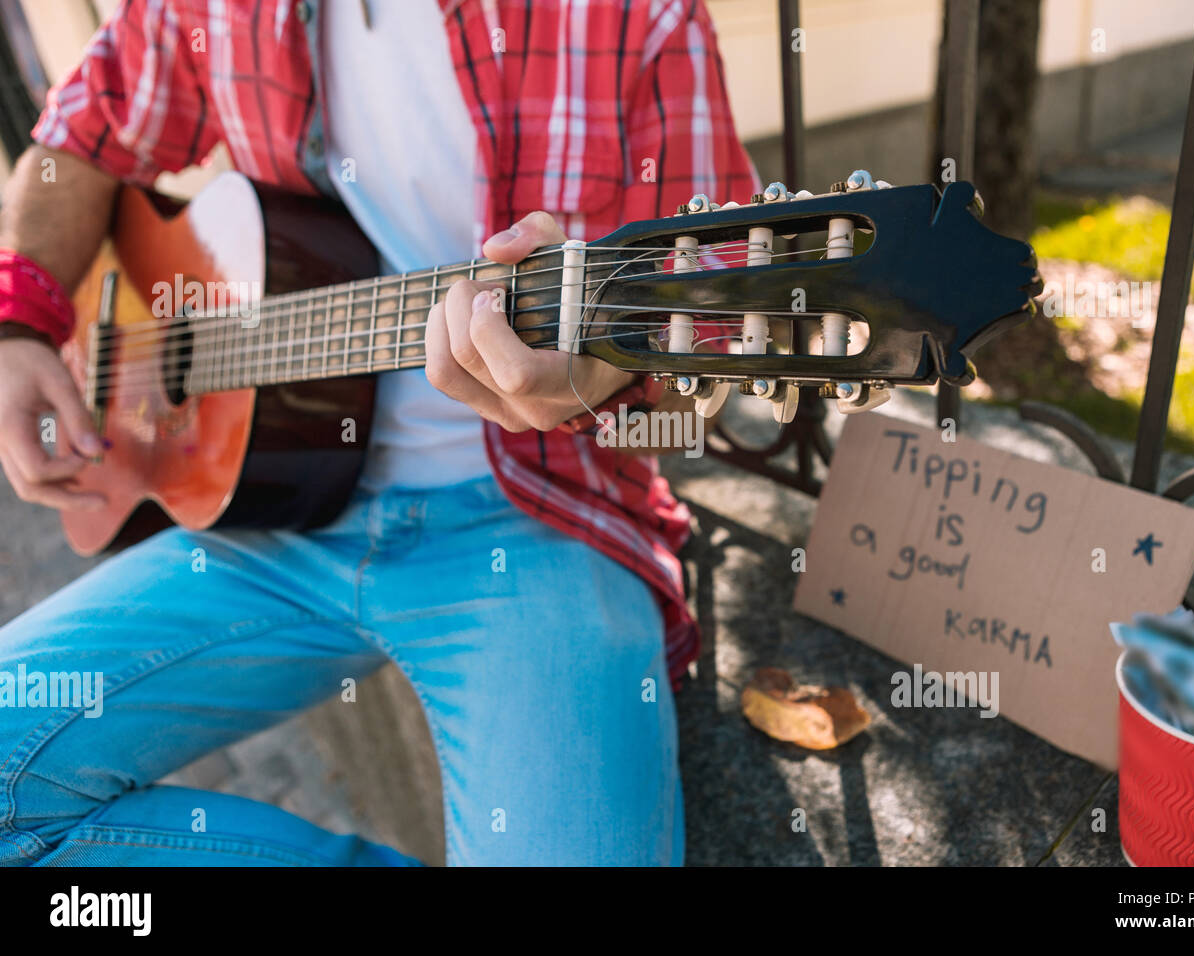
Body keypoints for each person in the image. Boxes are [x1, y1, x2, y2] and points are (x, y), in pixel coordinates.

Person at [0, 0, 756, 866]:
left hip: (541, 519)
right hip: (276, 519)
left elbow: (709, 346)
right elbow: (75, 134)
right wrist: (19, 327)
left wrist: (608, 379)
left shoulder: (640, 17)